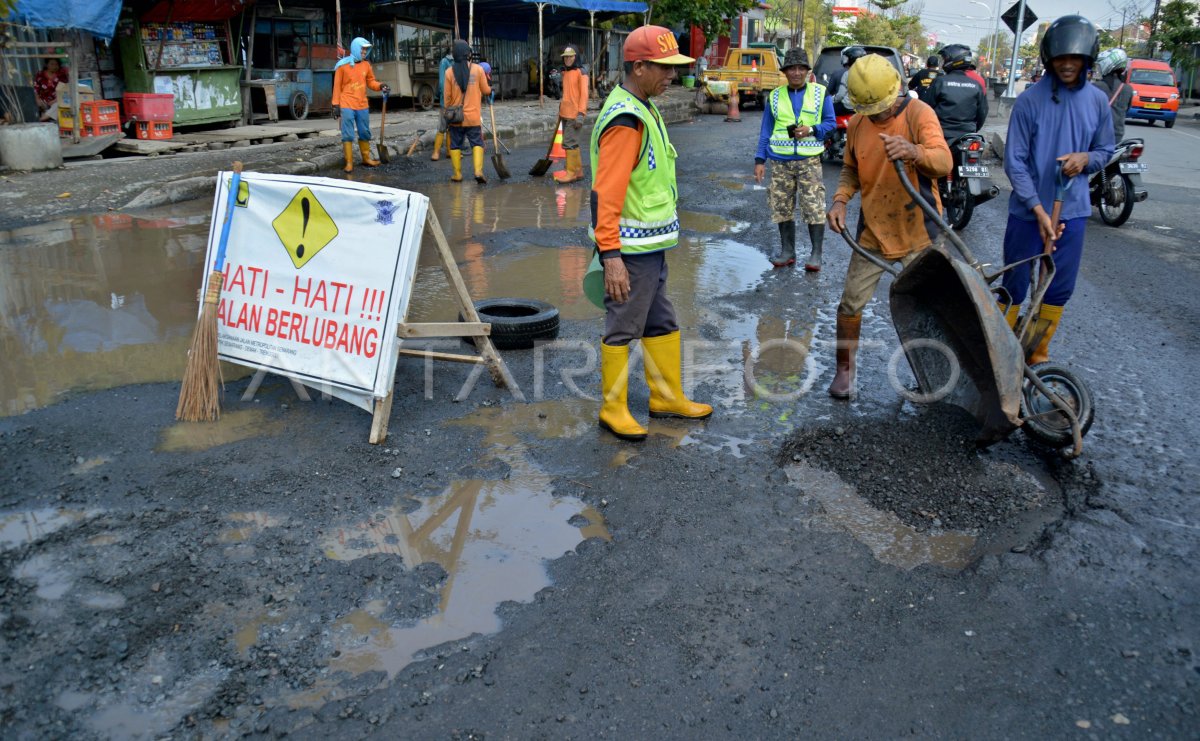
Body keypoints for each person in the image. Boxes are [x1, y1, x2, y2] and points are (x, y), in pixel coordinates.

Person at [589, 24, 712, 441]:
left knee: (661, 321)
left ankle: (665, 397)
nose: (671, 76)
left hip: (650, 247)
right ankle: (613, 407)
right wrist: (611, 258)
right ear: (638, 67)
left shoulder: (642, 105)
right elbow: (606, 195)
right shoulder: (626, 119)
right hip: (629, 251)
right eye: (664, 68)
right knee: (623, 326)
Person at [825, 54, 952, 399]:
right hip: (874, 232)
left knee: (933, 310)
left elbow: (943, 162)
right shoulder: (857, 124)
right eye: (869, 110)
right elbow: (850, 169)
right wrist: (839, 200)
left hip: (920, 232)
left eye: (880, 108)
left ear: (896, 89)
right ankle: (845, 371)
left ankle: (937, 374)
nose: (876, 115)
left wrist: (914, 151)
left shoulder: (919, 114)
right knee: (850, 304)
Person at [1000, 15, 1113, 364]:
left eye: (1074, 58)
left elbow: (1105, 151)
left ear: (1087, 60)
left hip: (1073, 210)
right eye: (1060, 58)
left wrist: (1085, 158)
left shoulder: (1097, 101)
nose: (1067, 64)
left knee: (1058, 287)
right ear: (1049, 60)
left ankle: (1034, 352)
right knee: (1014, 284)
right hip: (1027, 212)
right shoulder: (1029, 101)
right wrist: (1037, 208)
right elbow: (1014, 162)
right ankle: (1003, 355)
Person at [754, 47, 835, 270]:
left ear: (808, 72)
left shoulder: (820, 93)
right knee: (781, 205)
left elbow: (831, 124)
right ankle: (787, 251)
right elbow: (765, 131)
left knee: (814, 205)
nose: (797, 73)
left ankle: (815, 254)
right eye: (792, 69)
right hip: (780, 161)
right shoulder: (774, 96)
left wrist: (811, 129)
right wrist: (760, 160)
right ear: (786, 72)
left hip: (809, 161)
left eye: (801, 69)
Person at [332, 38, 389, 173]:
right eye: (362, 49)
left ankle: (366, 158)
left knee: (364, 132)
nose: (364, 51)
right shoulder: (342, 66)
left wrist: (381, 86)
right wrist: (335, 105)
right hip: (346, 103)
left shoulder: (366, 65)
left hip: (362, 104)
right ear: (356, 48)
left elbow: (371, 82)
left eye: (366, 49)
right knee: (348, 134)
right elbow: (337, 87)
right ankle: (349, 163)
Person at [443, 39, 492, 184]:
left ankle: (457, 174)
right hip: (473, 117)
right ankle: (478, 171)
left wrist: (448, 112)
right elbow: (485, 90)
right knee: (477, 142)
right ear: (467, 54)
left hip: (456, 117)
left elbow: (447, 98)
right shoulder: (478, 70)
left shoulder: (449, 72)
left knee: (455, 144)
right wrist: (491, 90)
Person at [927, 44, 988, 143]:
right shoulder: (976, 85)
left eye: (945, 59)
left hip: (941, 134)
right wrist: (974, 129)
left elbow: (927, 108)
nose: (943, 62)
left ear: (952, 60)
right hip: (968, 135)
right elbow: (983, 112)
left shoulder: (940, 82)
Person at [553, 46, 590, 183]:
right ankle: (578, 170)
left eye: (571, 56)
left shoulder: (581, 73)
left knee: (569, 143)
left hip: (575, 114)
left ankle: (570, 173)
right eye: (566, 57)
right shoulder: (565, 73)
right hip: (565, 112)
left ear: (576, 57)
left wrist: (581, 113)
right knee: (572, 143)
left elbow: (584, 95)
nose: (568, 59)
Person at [1092, 47, 1133, 142]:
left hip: (1097, 136)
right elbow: (1126, 111)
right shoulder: (1128, 89)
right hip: (1117, 136)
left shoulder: (1096, 87)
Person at [431, 47, 454, 161]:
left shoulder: (458, 62)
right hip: (445, 99)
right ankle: (436, 152)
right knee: (442, 126)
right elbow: (441, 82)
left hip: (455, 100)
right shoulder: (444, 62)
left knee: (452, 126)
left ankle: (450, 151)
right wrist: (444, 96)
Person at [831, 46, 867, 116]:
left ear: (852, 59)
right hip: (863, 108)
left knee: (827, 110)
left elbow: (840, 95)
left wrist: (832, 100)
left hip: (847, 107)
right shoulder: (868, 74)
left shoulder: (847, 73)